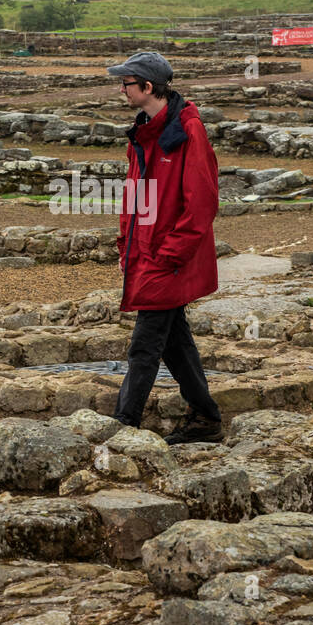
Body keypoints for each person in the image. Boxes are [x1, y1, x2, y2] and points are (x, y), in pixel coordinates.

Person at [108, 50, 224, 445]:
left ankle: (123, 427)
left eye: (126, 82)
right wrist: (127, 242)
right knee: (175, 343)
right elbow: (134, 195)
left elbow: (202, 202)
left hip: (168, 258)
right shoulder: (146, 132)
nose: (121, 88)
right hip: (149, 251)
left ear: (148, 87)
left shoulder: (186, 132)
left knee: (144, 345)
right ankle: (205, 418)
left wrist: (170, 254)